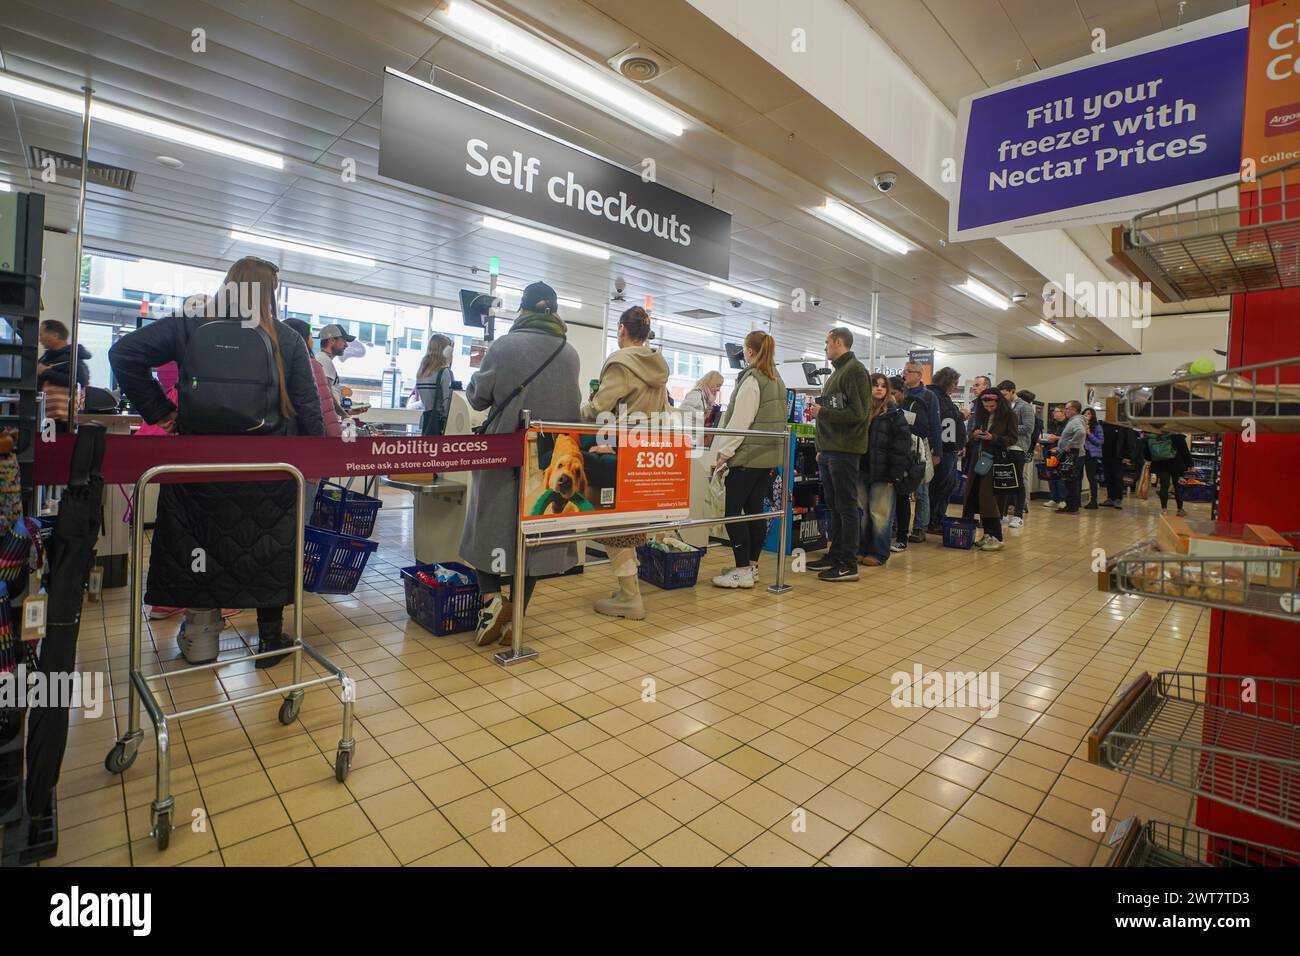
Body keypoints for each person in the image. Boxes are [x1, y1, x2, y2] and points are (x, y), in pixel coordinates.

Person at [109, 257, 324, 667]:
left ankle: (200, 639)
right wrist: (315, 458)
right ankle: (269, 640)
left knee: (200, 545)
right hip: (267, 469)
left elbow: (124, 354)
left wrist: (160, 412)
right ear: (270, 292)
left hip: (198, 463)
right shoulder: (285, 337)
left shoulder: (190, 326)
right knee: (267, 551)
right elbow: (307, 408)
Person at [462, 282, 582, 647]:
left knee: (487, 529)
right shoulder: (569, 352)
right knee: (533, 537)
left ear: (523, 310)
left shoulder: (504, 346)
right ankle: (516, 617)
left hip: (504, 454)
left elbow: (478, 398)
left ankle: (492, 600)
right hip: (546, 461)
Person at [580, 305, 670, 618]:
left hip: (619, 453)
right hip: (645, 455)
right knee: (629, 525)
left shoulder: (620, 363)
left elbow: (598, 409)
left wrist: (583, 407)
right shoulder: (658, 367)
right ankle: (627, 589)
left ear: (621, 329)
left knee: (613, 524)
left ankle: (630, 597)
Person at [710, 332, 785, 588]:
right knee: (754, 512)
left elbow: (741, 421)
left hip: (747, 458)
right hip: (767, 458)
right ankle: (751, 567)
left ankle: (741, 570)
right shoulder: (776, 379)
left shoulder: (753, 379)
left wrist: (724, 454)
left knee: (733, 513)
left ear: (750, 351)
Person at [806, 327, 870, 582]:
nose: (825, 347)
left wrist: (822, 413)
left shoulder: (854, 371)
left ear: (839, 342)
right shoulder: (838, 373)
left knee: (846, 507)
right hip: (831, 450)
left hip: (845, 450)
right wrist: (821, 448)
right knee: (834, 505)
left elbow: (859, 414)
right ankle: (836, 554)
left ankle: (848, 563)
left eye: (827, 342)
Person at [858, 374, 912, 567]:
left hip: (884, 473)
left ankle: (879, 552)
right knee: (863, 513)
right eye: (875, 385)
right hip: (861, 469)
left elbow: (902, 446)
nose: (879, 389)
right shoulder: (861, 412)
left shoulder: (894, 415)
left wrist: (895, 473)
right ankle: (861, 549)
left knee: (880, 515)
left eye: (882, 386)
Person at [962, 387, 1017, 550]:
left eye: (992, 406)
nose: (989, 409)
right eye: (986, 406)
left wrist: (994, 438)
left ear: (999, 403)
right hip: (977, 462)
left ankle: (997, 536)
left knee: (990, 499)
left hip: (995, 462)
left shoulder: (1009, 416)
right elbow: (972, 434)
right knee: (978, 497)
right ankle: (987, 534)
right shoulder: (982, 414)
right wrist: (975, 434)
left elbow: (1012, 438)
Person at [898, 362, 940, 542]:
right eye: (904, 371)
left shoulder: (929, 396)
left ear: (918, 375)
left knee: (922, 489)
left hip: (921, 446)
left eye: (907, 372)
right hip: (900, 446)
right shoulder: (900, 394)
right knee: (899, 488)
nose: (904, 375)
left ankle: (920, 527)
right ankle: (897, 525)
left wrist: (938, 451)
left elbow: (935, 425)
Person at [284, 318, 342, 439]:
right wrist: (336, 436)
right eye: (310, 336)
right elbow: (325, 405)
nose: (312, 341)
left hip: (279, 435)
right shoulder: (313, 365)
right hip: (306, 436)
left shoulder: (275, 363)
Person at [925, 366, 966, 534]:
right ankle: (933, 519)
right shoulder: (935, 398)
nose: (956, 387)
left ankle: (937, 517)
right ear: (947, 382)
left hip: (949, 449)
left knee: (946, 485)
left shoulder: (941, 398)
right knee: (939, 486)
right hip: (942, 450)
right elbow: (941, 423)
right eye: (954, 383)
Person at [999, 380, 1035, 529]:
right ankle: (1004, 513)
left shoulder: (1025, 407)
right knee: (1005, 481)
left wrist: (1008, 428)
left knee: (1018, 482)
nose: (1004, 397)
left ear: (1013, 391)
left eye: (1005, 394)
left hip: (1018, 448)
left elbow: (1028, 428)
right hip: (1005, 448)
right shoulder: (1004, 407)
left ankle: (1018, 516)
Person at [415, 333, 456, 436]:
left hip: (426, 422)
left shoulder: (421, 372)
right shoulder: (444, 372)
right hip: (440, 425)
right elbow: (448, 405)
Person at [36, 318, 92, 391]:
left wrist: (45, 372)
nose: (40, 339)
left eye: (41, 335)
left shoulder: (72, 357)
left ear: (55, 336)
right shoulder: (47, 356)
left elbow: (80, 380)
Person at [1146, 431, 1192, 516]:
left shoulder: (1155, 436)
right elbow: (1184, 451)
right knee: (1178, 486)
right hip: (1177, 464)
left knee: (1164, 486)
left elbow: (1148, 452)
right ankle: (1180, 509)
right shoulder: (1177, 436)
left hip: (1161, 464)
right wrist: (1191, 465)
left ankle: (1164, 509)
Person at [1054, 400, 1088, 515]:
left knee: (1070, 481)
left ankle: (1072, 507)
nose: (1065, 411)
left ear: (1074, 410)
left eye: (1067, 408)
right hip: (1076, 454)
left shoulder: (1076, 421)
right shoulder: (1076, 420)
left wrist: (1069, 445)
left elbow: (1081, 433)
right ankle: (1072, 505)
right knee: (1072, 481)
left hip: (1073, 455)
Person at [1099, 419, 1140, 508]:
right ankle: (1110, 498)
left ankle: (1118, 499)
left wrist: (1128, 456)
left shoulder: (1124, 425)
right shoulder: (1104, 425)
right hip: (1105, 455)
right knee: (1108, 477)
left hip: (1119, 456)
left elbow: (1131, 442)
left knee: (1117, 477)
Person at [317, 323, 354, 418]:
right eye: (344, 341)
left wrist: (348, 411)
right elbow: (326, 394)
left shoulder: (323, 359)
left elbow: (333, 392)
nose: (346, 345)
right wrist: (344, 414)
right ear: (332, 340)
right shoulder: (324, 360)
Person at [1040, 405, 1068, 510]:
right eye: (1054, 411)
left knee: (1061, 476)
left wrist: (1057, 438)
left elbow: (1069, 438)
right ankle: (1053, 498)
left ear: (1063, 412)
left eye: (1057, 411)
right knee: (1051, 476)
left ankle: (1062, 499)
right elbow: (1048, 435)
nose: (1054, 413)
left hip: (1061, 453)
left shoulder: (1067, 424)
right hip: (1049, 451)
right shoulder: (1053, 423)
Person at [1080, 406, 1104, 509]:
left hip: (1091, 454)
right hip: (1080, 453)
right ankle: (1076, 500)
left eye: (1089, 414)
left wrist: (1089, 433)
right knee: (1078, 477)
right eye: (1085, 414)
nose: (1086, 415)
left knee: (1091, 477)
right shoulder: (1079, 425)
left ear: (1093, 415)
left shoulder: (1097, 426)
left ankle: (1093, 501)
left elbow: (1099, 442)